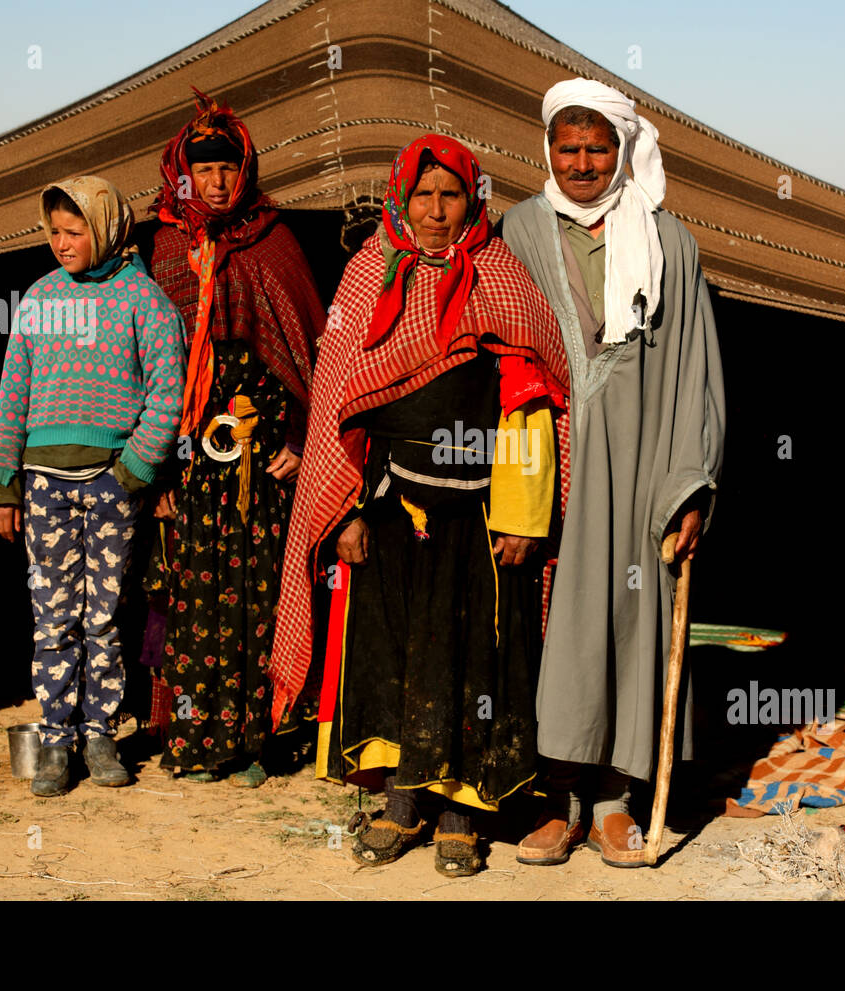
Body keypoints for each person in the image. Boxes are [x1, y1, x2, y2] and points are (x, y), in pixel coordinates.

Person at [271, 134, 570, 876]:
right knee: (394, 653)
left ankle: (464, 811)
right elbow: (340, 400)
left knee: (476, 658)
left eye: (452, 195)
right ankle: (403, 802)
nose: (437, 211)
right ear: (400, 198)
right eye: (424, 194)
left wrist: (525, 515)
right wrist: (342, 511)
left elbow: (531, 397)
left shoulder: (501, 276)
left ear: (475, 199)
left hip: (483, 514)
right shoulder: (367, 273)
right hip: (390, 506)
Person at [500, 79, 725, 867]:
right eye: (570, 146)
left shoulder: (670, 241)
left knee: (631, 626)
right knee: (552, 625)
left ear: (624, 149)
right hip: (547, 464)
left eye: (599, 147)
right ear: (548, 148)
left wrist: (691, 482)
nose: (584, 162)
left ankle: (614, 802)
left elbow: (697, 369)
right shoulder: (518, 231)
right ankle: (556, 798)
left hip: (641, 470)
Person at [0, 176, 184, 797]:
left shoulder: (144, 300)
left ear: (108, 228)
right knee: (52, 616)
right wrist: (0, 483)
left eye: (75, 231)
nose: (62, 243)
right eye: (54, 232)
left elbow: (167, 392)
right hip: (43, 484)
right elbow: (13, 392)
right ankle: (55, 739)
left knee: (103, 614)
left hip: (112, 483)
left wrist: (135, 469)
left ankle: (99, 733)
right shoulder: (38, 298)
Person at [144, 90, 326, 786]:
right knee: (193, 599)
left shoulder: (273, 242)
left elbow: (315, 350)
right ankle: (196, 740)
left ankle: (259, 742)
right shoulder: (164, 249)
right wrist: (157, 471)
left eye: (227, 167)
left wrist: (302, 439)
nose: (216, 181)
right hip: (191, 461)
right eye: (204, 168)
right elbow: (147, 371)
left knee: (261, 598)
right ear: (182, 174)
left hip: (263, 461)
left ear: (244, 169)